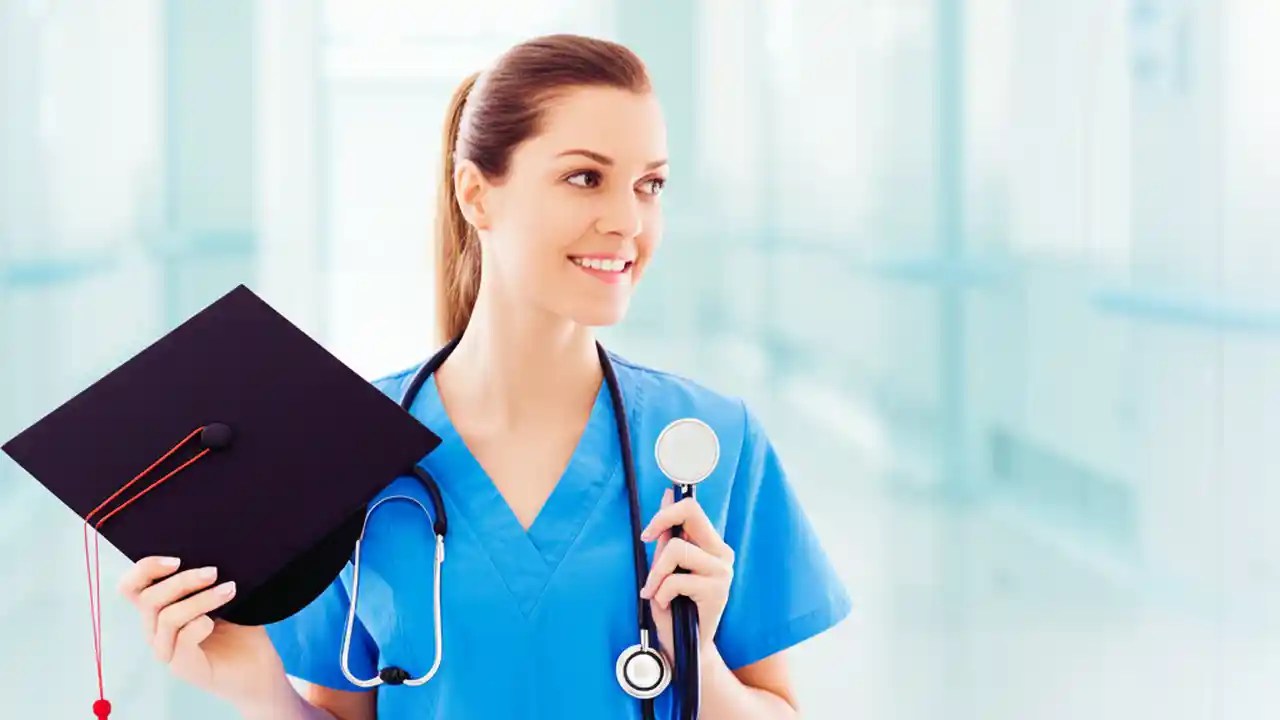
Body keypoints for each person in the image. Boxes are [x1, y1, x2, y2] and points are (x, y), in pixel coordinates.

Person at [116, 33, 851, 719]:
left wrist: (697, 665)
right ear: (477, 194)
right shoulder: (348, 447)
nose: (628, 220)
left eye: (650, 185)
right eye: (585, 177)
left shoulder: (711, 443)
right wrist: (257, 684)